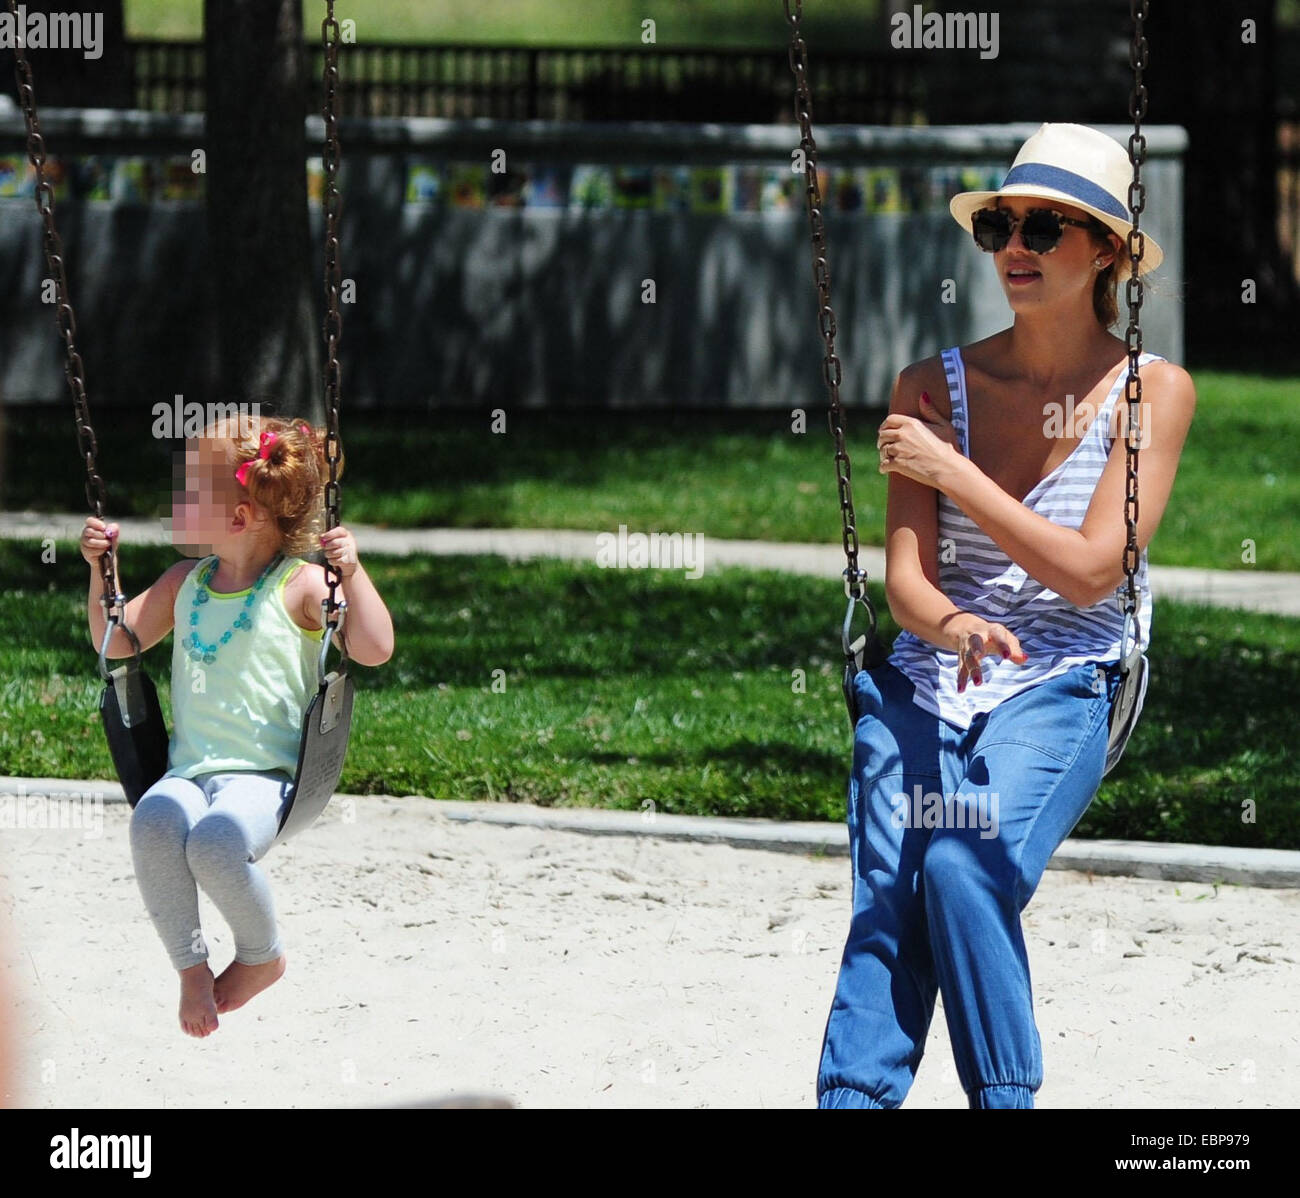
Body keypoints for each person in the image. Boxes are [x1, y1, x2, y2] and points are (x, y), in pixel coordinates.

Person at [816, 123, 1196, 1108]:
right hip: (928, 672)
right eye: (1000, 225)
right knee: (891, 900)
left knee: (963, 861)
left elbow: (1085, 574)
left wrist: (953, 472)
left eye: (1044, 227)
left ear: (1109, 250)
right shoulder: (929, 385)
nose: (1015, 246)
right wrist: (950, 628)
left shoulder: (1150, 392)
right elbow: (907, 582)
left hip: (1069, 675)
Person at [81, 415, 394, 1038]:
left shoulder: (301, 587)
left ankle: (260, 956)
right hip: (190, 771)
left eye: (192, 489)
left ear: (240, 517)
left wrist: (352, 574)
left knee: (216, 843)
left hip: (269, 780)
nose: (176, 500)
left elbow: (374, 647)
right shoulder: (185, 583)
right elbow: (115, 642)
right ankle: (190, 966)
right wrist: (100, 572)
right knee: (154, 821)